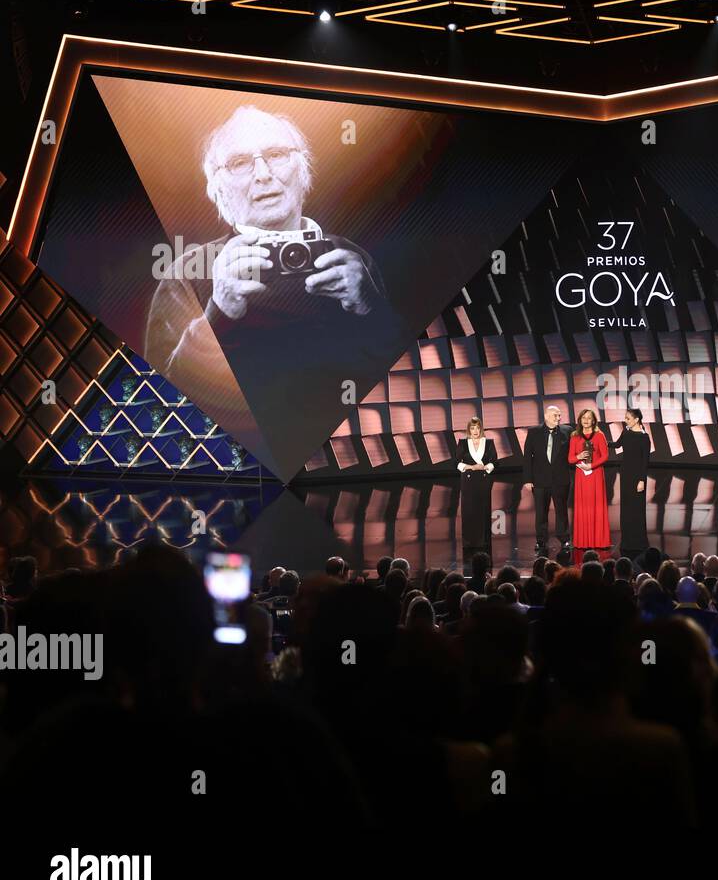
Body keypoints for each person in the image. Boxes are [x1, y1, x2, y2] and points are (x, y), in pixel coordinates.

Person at [144, 105, 404, 448]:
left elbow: (400, 389)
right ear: (217, 188)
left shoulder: (352, 261)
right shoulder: (187, 274)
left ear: (304, 169)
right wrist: (217, 313)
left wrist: (373, 313)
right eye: (239, 163)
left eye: (277, 154)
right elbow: (156, 411)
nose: (263, 174)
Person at [522, 405, 574, 556]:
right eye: (555, 415)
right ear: (546, 416)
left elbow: (573, 452)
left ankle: (564, 538)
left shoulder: (567, 431)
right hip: (539, 480)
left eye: (559, 415)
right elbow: (527, 458)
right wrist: (527, 479)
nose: (558, 418)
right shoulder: (533, 432)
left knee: (561, 510)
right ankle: (541, 540)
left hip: (561, 479)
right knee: (541, 512)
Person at [568, 408, 610, 554]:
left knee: (596, 506)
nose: (586, 420)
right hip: (581, 476)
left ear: (593, 420)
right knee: (583, 506)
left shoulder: (599, 435)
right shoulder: (574, 436)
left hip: (596, 474)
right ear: (580, 420)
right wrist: (579, 456)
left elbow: (605, 456)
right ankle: (583, 541)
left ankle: (599, 540)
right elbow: (570, 458)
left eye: (589, 418)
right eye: (583, 418)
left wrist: (591, 465)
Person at [456, 417, 497, 560]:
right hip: (468, 480)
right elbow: (457, 463)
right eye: (472, 428)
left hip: (483, 480)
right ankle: (469, 542)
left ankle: (482, 541)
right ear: (469, 429)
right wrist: (470, 467)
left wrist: (485, 467)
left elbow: (494, 461)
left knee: (483, 509)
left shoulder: (489, 443)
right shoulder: (462, 443)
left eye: (477, 428)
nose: (475, 431)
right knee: (469, 510)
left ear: (481, 429)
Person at [611, 407, 650, 557]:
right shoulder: (626, 432)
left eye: (628, 418)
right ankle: (627, 540)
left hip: (637, 477)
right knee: (626, 507)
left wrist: (641, 480)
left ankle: (638, 541)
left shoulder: (644, 438)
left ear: (636, 420)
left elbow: (645, 461)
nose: (625, 420)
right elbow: (617, 444)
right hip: (626, 474)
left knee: (637, 508)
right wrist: (600, 439)